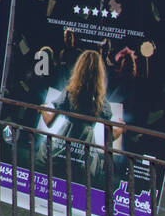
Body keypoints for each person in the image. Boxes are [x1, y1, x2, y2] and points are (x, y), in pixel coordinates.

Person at [35, 49, 128, 190]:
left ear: (79, 69)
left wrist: (43, 110)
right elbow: (108, 137)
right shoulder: (101, 101)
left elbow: (49, 123)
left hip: (62, 147)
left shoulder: (69, 93)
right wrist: (120, 128)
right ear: (99, 74)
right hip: (85, 157)